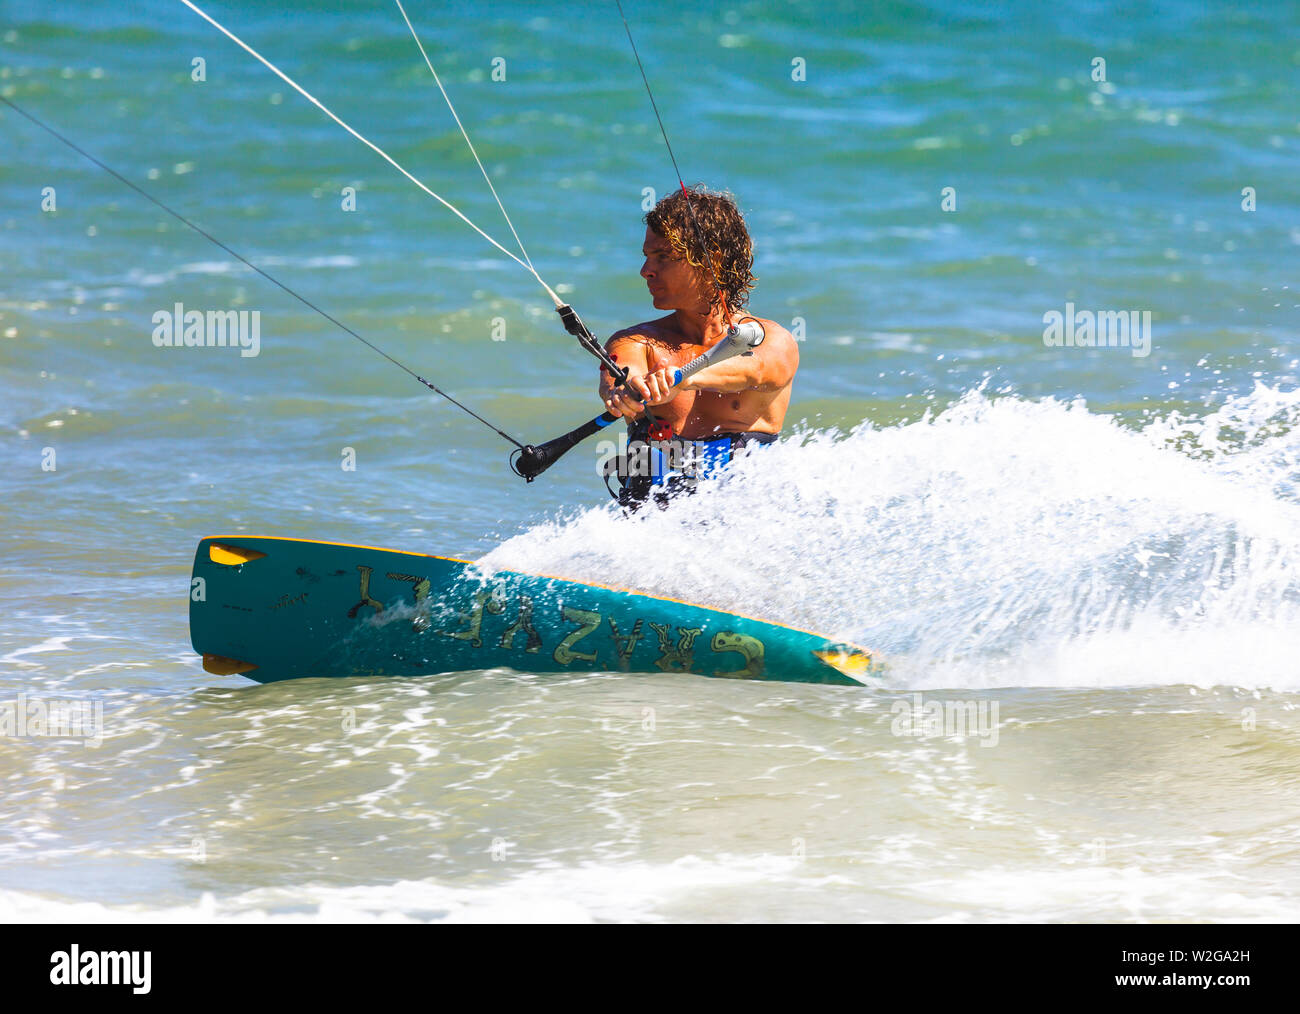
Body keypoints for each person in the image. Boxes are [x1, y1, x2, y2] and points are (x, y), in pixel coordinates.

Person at [598, 186, 798, 507]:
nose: (645, 271)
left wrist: (685, 378)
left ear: (710, 260)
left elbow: (755, 367)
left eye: (663, 257)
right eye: (647, 257)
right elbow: (620, 375)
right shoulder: (636, 342)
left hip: (739, 528)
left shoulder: (774, 340)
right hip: (642, 534)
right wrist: (623, 392)